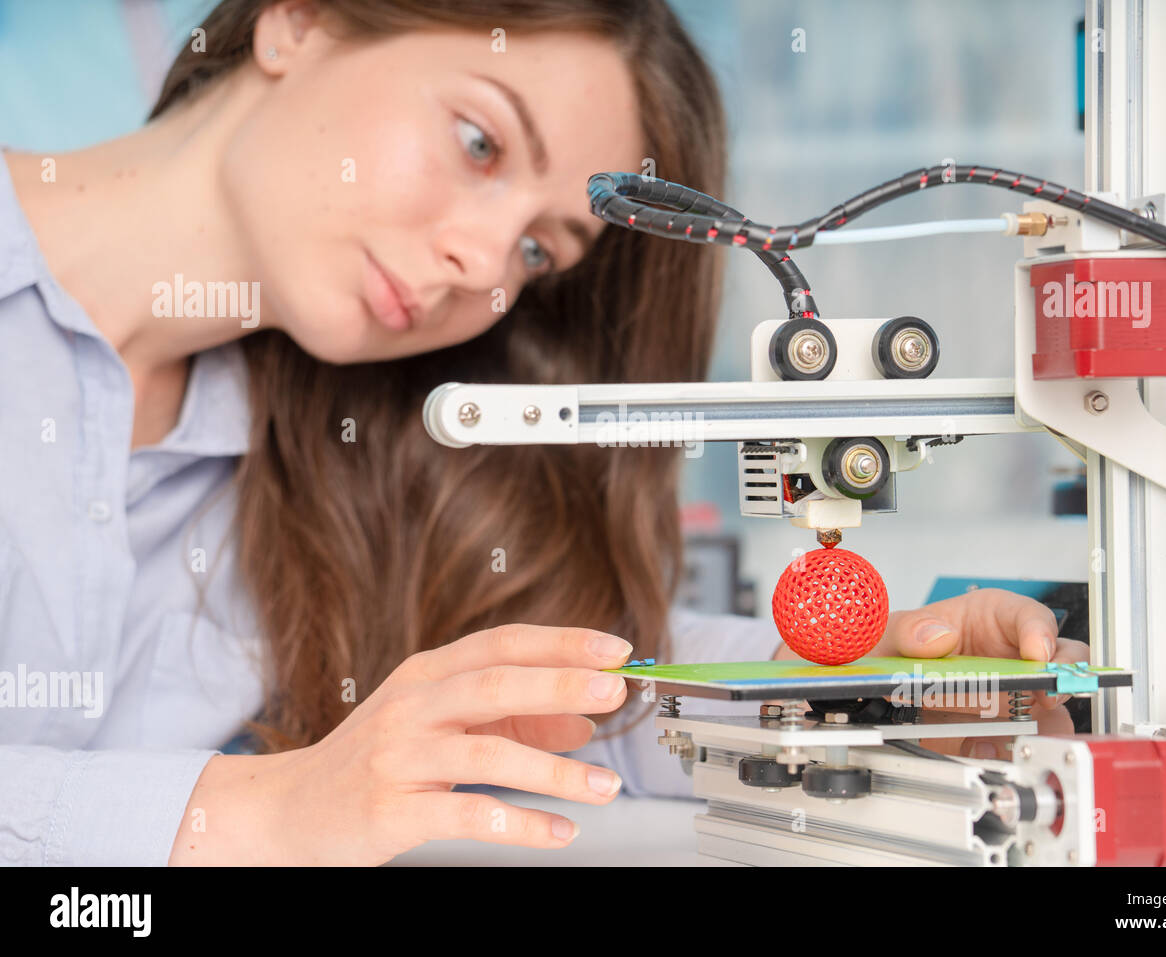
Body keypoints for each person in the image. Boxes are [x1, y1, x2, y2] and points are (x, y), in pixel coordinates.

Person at [0, 0, 1086, 866]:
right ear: (300, 18)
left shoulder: (321, 445)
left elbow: (575, 685)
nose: (481, 262)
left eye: (538, 254)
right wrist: (249, 818)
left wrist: (874, 689)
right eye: (478, 142)